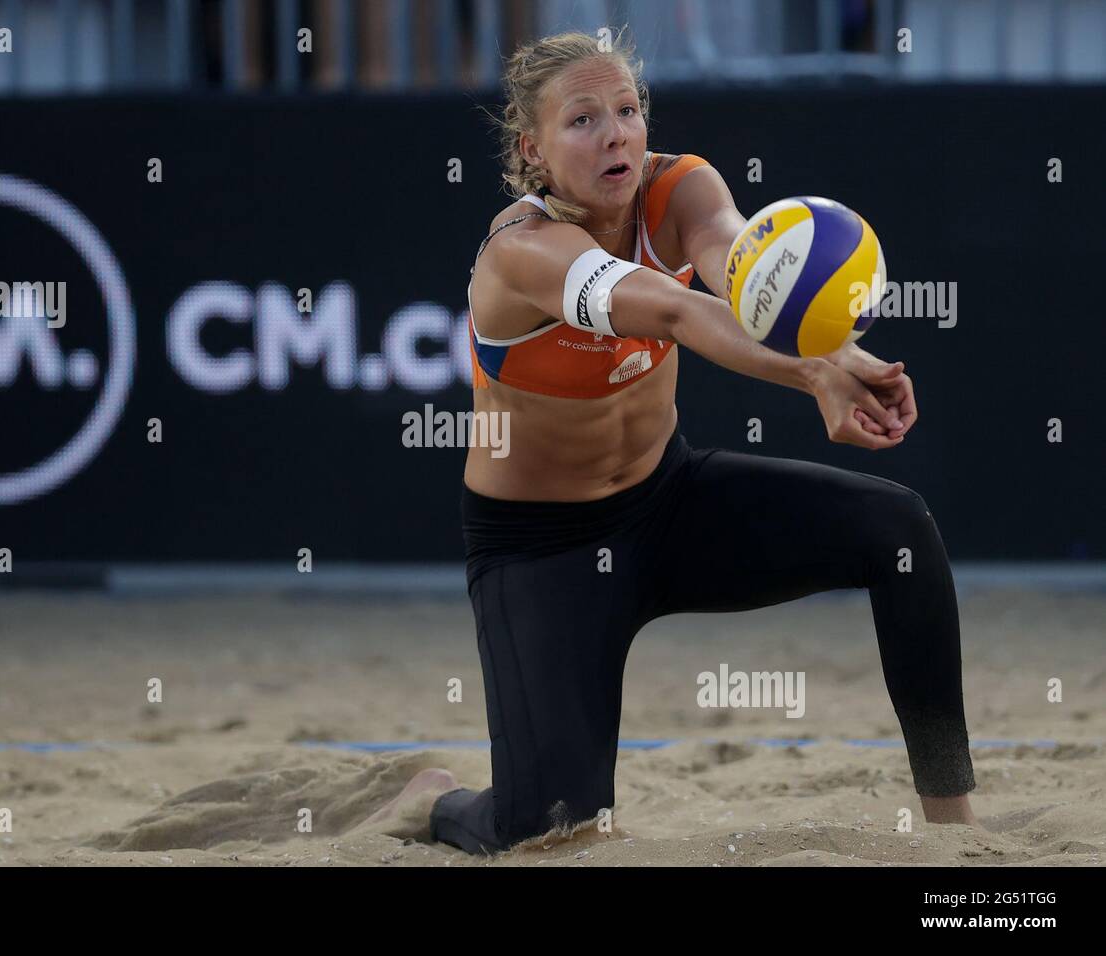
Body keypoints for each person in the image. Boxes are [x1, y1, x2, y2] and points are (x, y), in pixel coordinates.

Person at [365, 29, 978, 855]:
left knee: (900, 532)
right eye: (582, 119)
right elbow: (678, 312)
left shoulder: (681, 186)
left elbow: (741, 272)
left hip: (669, 500)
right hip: (542, 551)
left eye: (627, 110)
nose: (615, 132)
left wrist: (846, 357)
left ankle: (955, 832)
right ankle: (439, 801)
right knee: (547, 829)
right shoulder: (522, 254)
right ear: (533, 150)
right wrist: (814, 379)